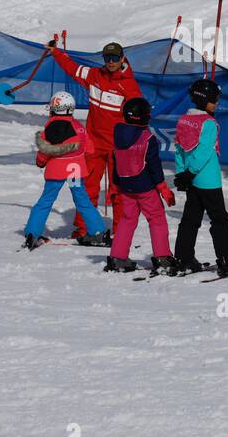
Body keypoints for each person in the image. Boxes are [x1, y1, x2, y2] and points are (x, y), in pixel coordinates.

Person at [46, 37, 141, 243]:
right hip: (93, 144)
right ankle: (83, 228)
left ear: (122, 57)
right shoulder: (94, 75)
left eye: (115, 57)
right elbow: (72, 68)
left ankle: (120, 232)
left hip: (118, 146)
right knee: (86, 186)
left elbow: (138, 115)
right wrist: (56, 53)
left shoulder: (129, 85)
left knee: (119, 191)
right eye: (107, 57)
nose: (111, 61)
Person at [173, 78, 228, 278]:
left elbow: (178, 147)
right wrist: (191, 172)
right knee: (220, 220)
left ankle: (183, 258)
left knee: (190, 220)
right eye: (215, 99)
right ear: (204, 100)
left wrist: (182, 173)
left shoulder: (183, 120)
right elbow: (205, 151)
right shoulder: (209, 123)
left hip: (192, 180)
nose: (217, 103)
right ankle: (226, 260)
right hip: (208, 179)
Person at [23, 91, 109, 250]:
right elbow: (90, 149)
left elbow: (45, 151)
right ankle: (97, 232)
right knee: (82, 200)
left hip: (56, 170)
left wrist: (40, 162)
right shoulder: (79, 127)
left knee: (46, 200)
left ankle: (32, 233)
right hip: (74, 169)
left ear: (54, 107)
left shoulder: (49, 128)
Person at [106, 96, 177, 274]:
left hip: (126, 186)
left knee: (127, 220)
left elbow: (115, 161)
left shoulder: (117, 134)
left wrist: (114, 186)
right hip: (145, 187)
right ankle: (162, 257)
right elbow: (154, 166)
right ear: (145, 117)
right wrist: (163, 189)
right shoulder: (147, 138)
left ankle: (117, 257)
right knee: (157, 219)